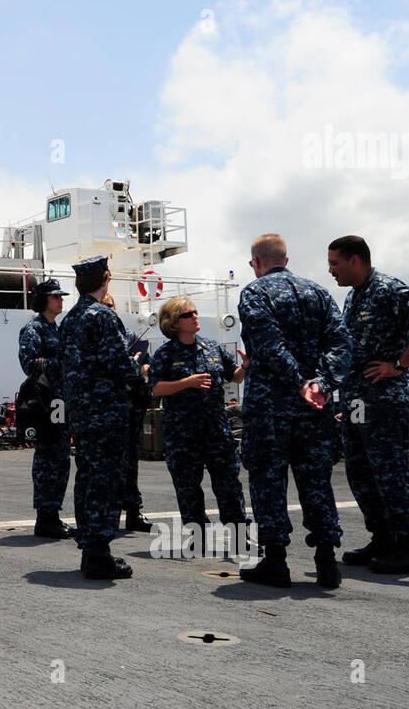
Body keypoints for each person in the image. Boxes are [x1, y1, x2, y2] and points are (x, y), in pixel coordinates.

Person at [237, 234, 352, 589]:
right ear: (286, 260)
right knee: (317, 481)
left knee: (268, 482)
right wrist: (321, 383)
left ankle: (275, 563)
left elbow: (269, 346)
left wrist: (298, 381)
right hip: (315, 409)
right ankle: (326, 562)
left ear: (256, 262)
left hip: (270, 407)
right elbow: (342, 343)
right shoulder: (318, 292)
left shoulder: (255, 293)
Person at [328, 235, 409, 574]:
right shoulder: (353, 296)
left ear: (356, 261)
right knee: (361, 473)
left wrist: (400, 365)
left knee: (390, 473)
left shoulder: (390, 289)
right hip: (357, 400)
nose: (330, 270)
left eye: (335, 263)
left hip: (386, 400)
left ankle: (407, 548)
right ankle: (382, 539)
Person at [58, 257, 141, 579]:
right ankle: (98, 554)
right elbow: (118, 362)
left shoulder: (70, 319)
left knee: (88, 477)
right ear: (105, 280)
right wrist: (137, 371)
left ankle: (91, 547)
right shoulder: (103, 317)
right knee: (106, 480)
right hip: (107, 412)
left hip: (82, 412)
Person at [149, 296, 249, 553]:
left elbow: (234, 377)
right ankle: (198, 538)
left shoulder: (212, 347)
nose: (195, 317)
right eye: (188, 314)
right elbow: (156, 388)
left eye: (195, 312)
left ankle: (239, 537)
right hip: (183, 433)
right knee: (188, 487)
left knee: (228, 484)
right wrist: (186, 382)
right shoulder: (165, 354)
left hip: (216, 430)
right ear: (174, 323)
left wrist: (246, 366)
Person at [18, 279, 75, 539]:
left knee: (61, 459)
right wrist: (61, 361)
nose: (61, 300)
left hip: (62, 401)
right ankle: (45, 516)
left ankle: (53, 514)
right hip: (47, 401)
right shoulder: (34, 329)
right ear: (43, 300)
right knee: (48, 459)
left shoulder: (58, 329)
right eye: (56, 297)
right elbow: (30, 364)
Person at [103, 293, 153, 533]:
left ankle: (133, 512)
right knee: (106, 466)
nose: (108, 310)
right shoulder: (97, 339)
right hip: (106, 410)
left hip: (131, 407)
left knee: (131, 463)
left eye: (111, 306)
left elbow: (146, 363)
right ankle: (106, 517)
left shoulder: (130, 337)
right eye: (104, 306)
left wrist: (142, 366)